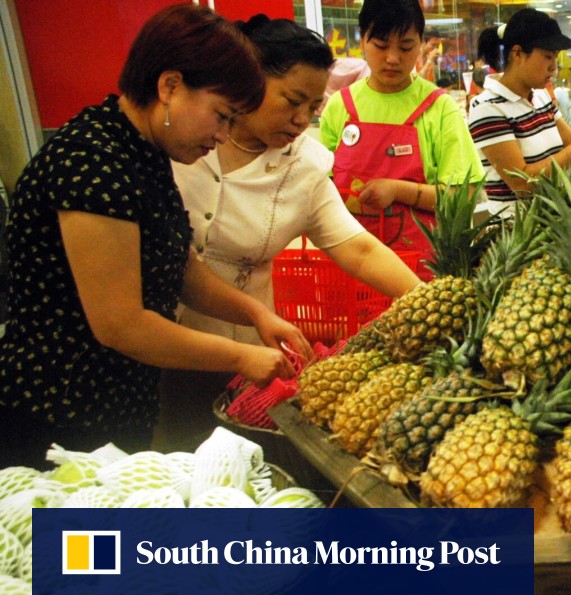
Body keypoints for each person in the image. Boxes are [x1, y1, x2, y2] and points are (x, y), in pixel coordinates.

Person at [0, 4, 305, 466]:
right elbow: (121, 323)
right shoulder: (92, 161)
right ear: (170, 86)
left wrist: (255, 315)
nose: (223, 135)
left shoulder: (143, 153)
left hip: (118, 408)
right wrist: (241, 357)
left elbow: (180, 270)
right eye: (221, 115)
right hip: (57, 418)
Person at [160, 16, 424, 452]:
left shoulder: (304, 166)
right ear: (248, 81)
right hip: (155, 338)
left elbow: (356, 247)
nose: (302, 119)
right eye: (291, 101)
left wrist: (426, 300)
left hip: (244, 353)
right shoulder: (182, 137)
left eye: (314, 107)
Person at [319, 0, 484, 281]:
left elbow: (464, 197)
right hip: (347, 273)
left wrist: (398, 190)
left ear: (421, 44)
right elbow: (319, 189)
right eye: (381, 46)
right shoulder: (340, 106)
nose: (393, 58)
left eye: (405, 47)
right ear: (362, 39)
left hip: (419, 273)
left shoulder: (439, 108)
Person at [467, 9, 571, 216]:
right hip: (516, 232)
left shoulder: (541, 96)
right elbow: (522, 182)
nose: (553, 67)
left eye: (555, 57)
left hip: (553, 220)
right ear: (517, 54)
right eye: (547, 57)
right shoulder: (487, 108)